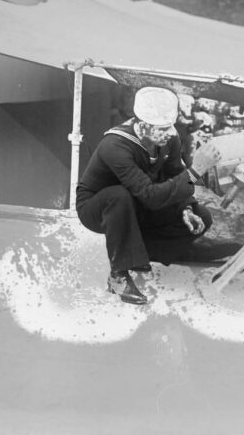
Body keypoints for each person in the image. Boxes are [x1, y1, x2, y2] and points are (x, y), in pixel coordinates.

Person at [75, 87, 221, 305]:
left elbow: (173, 175)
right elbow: (151, 195)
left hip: (137, 204)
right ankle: (118, 275)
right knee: (118, 195)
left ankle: (140, 253)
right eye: (163, 128)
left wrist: (186, 208)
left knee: (203, 216)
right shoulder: (114, 145)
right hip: (99, 208)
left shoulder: (169, 139)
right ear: (142, 125)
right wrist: (196, 171)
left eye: (171, 125)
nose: (171, 132)